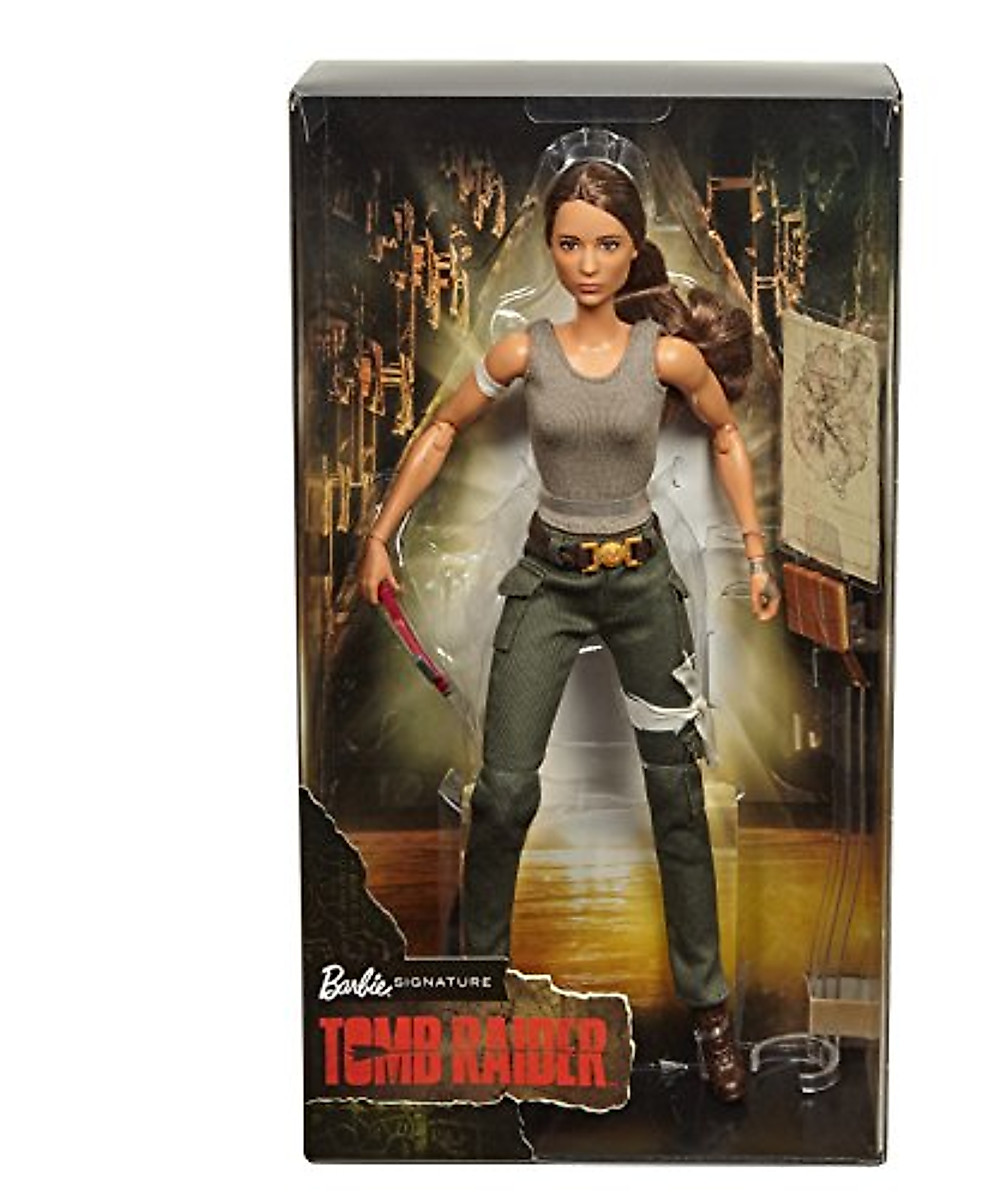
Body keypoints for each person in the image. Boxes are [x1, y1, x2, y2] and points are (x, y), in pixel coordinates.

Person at [358, 157, 780, 1102]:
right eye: (570, 244)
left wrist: (756, 553)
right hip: (547, 580)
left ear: (633, 252)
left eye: (607, 245)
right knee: (504, 792)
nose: (587, 264)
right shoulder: (525, 352)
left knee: (677, 797)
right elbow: (440, 429)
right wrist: (380, 535)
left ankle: (709, 1012)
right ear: (551, 246)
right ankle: (478, 993)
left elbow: (723, 434)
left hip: (640, 584)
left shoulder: (665, 359)